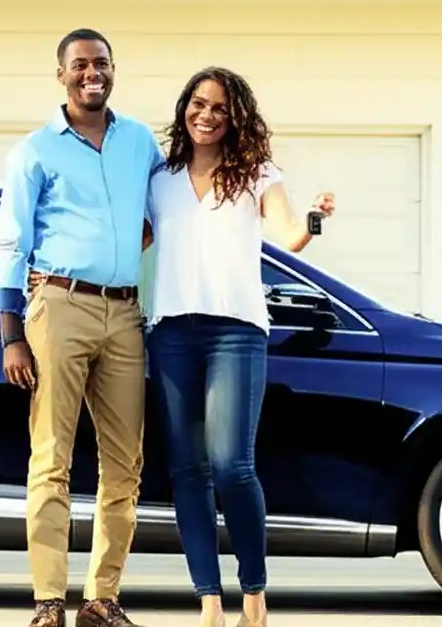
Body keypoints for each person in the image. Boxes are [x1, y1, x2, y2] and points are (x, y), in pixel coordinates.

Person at [143, 67, 335, 627]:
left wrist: (318, 218)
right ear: (185, 108)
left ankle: (253, 591)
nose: (205, 115)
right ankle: (208, 601)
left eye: (219, 109)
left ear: (236, 118)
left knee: (231, 466)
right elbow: (134, 239)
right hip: (172, 331)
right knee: (186, 470)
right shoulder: (161, 178)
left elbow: (292, 235)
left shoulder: (255, 173)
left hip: (237, 331)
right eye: (197, 104)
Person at [0, 27, 163, 627]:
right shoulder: (35, 151)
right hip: (58, 306)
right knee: (52, 457)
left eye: (103, 64)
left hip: (125, 312)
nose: (94, 73)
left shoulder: (140, 141)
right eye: (81, 65)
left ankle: (102, 598)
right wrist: (11, 332)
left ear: (114, 71)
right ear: (61, 74)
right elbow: (10, 243)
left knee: (125, 463)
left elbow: (172, 205)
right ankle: (48, 601)